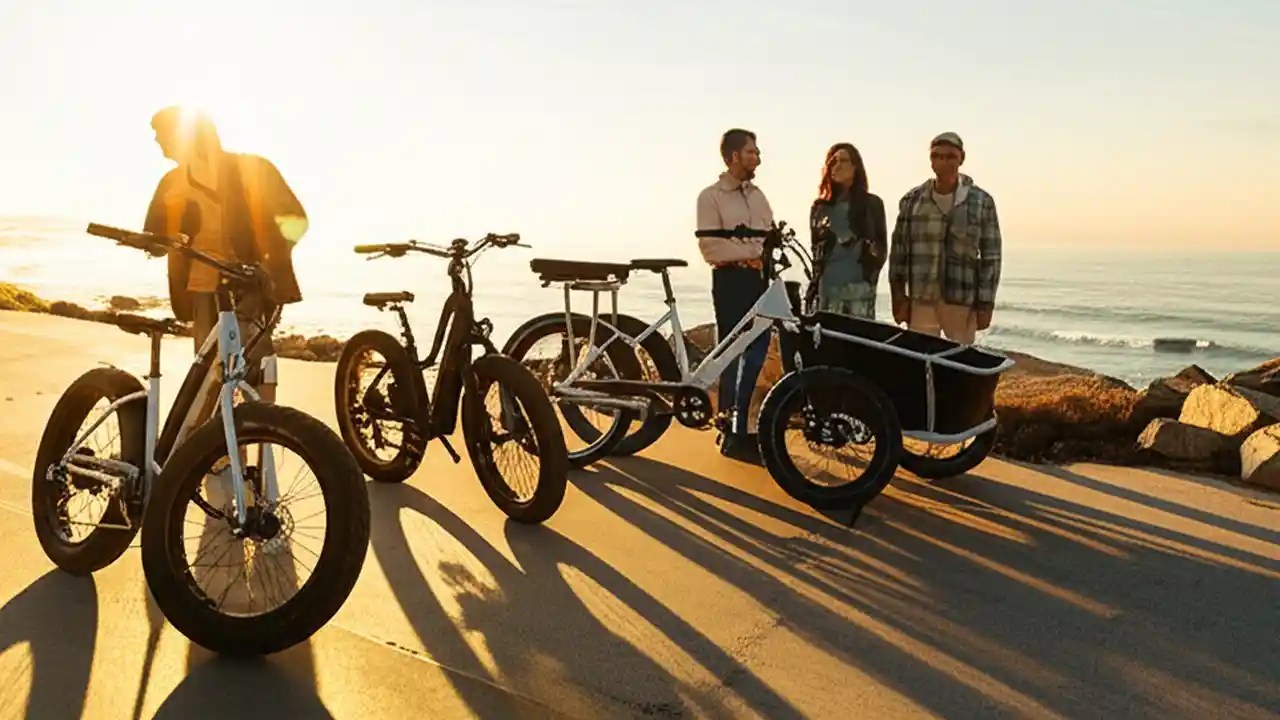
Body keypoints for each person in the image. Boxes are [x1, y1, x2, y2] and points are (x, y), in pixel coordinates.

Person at [143, 105, 308, 407]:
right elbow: (153, 241)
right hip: (201, 292)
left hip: (250, 288)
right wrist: (167, 237)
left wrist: (268, 262)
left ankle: (264, 432)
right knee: (209, 375)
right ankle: (219, 448)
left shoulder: (253, 170)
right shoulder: (171, 184)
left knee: (255, 368)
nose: (156, 141)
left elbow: (296, 219)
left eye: (161, 133)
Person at [695, 128, 774, 463]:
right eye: (752, 152)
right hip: (729, 281)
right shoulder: (710, 196)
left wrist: (758, 253)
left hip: (759, 279)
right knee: (730, 352)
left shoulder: (758, 195)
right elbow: (709, 246)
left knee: (756, 354)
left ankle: (747, 426)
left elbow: (768, 236)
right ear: (733, 156)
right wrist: (744, 253)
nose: (757, 157)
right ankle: (728, 429)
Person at [888, 131, 1002, 344]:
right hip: (921, 297)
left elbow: (991, 257)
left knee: (957, 363)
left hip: (961, 299)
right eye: (937, 156)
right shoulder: (913, 200)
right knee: (919, 359)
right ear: (930, 160)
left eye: (950, 156)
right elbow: (898, 253)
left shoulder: (981, 202)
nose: (943, 162)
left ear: (961, 158)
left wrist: (986, 304)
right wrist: (898, 297)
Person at [808, 142, 887, 319]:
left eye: (843, 161)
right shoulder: (820, 208)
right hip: (828, 288)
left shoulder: (872, 204)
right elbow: (816, 251)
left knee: (858, 341)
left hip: (859, 288)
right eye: (833, 161)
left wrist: (870, 277)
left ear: (855, 167)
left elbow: (881, 249)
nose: (837, 166)